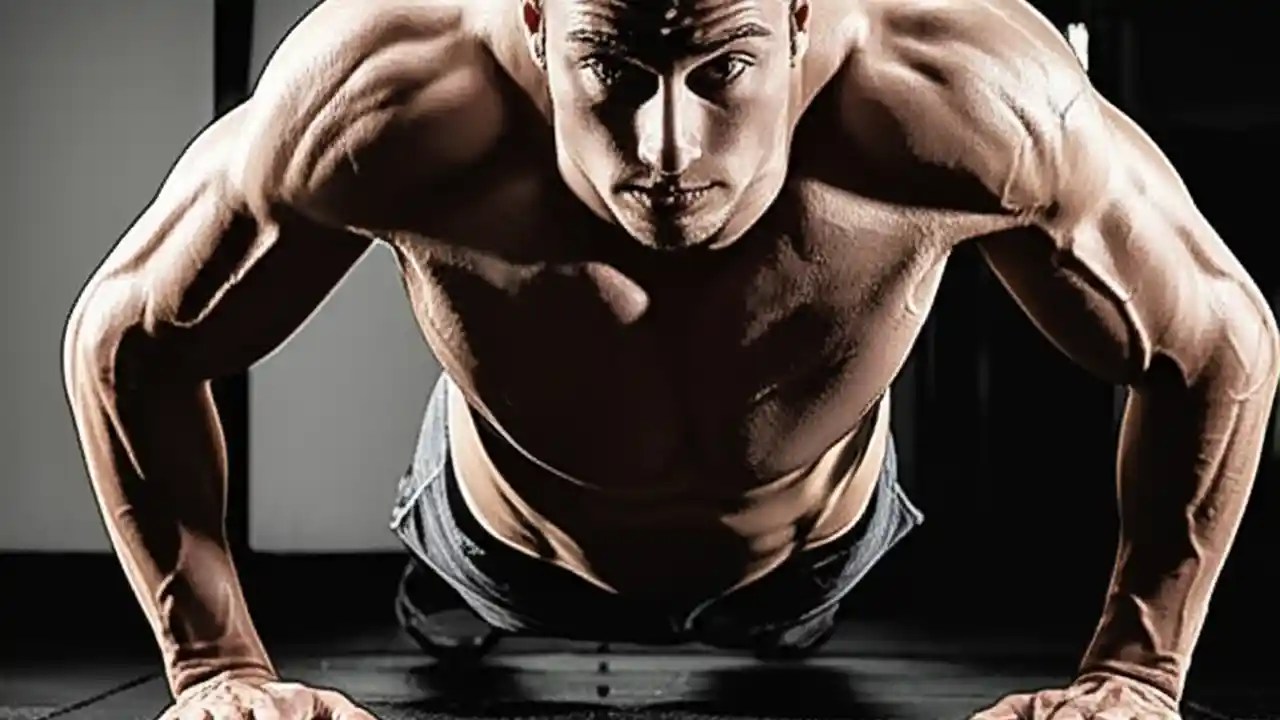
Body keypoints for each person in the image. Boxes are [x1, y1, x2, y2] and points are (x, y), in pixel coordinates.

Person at [61, 0, 1278, 718]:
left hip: (817, 552)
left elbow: (1217, 337)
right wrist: (214, 668)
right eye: (613, 65)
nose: (662, 143)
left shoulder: (963, 90)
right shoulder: (388, 86)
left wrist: (1136, 672)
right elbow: (128, 333)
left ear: (803, 16)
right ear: (533, 19)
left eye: (721, 67)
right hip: (498, 542)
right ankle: (452, 585)